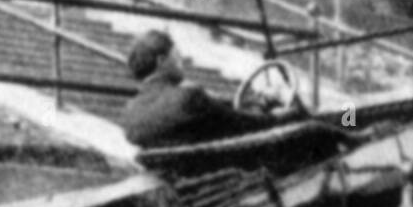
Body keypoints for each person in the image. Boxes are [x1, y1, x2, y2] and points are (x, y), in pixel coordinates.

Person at [122, 29, 298, 148]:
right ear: (161, 61)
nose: (181, 63)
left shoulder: (130, 113)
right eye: (177, 56)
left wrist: (258, 102)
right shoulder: (189, 98)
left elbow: (223, 112)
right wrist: (278, 116)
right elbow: (243, 123)